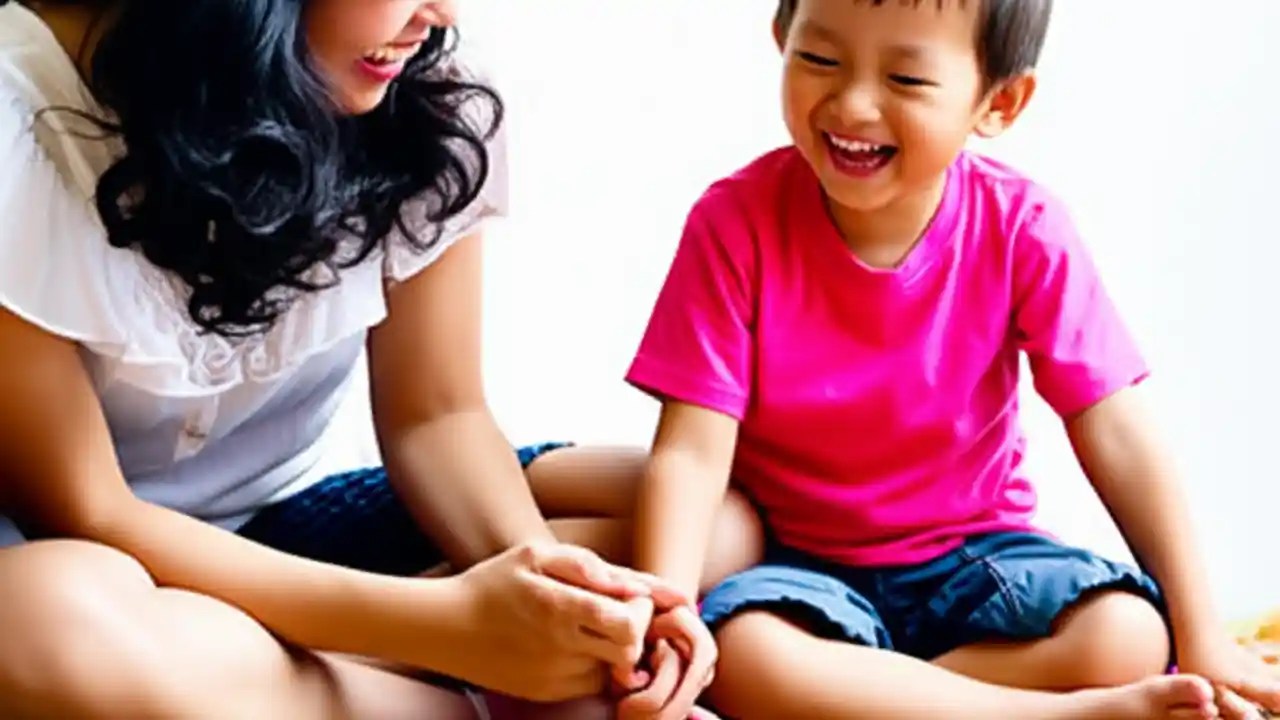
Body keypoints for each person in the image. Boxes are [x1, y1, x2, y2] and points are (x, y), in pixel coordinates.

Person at [0, 1, 760, 718]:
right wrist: (445, 628)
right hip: (93, 563)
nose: (441, 17)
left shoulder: (423, 105)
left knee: (708, 519)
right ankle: (462, 702)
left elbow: (438, 417)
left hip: (282, 543)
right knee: (39, 619)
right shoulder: (18, 119)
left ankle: (295, 684)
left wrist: (555, 598)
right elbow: (88, 511)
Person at [623, 1, 1280, 719]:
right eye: (819, 60)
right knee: (746, 655)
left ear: (998, 102)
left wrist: (1202, 630)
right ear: (782, 41)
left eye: (905, 77)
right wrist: (668, 615)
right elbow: (690, 452)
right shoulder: (733, 224)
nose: (853, 103)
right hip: (802, 566)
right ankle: (1057, 716)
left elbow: (1114, 427)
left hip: (977, 559)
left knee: (1128, 633)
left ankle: (878, 698)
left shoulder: (1023, 228)